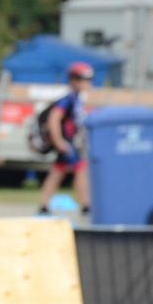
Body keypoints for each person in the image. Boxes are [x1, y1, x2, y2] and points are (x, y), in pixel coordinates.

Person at [38, 61, 93, 215]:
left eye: (87, 80)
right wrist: (59, 141)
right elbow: (54, 119)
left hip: (71, 143)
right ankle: (86, 205)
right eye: (81, 80)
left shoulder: (76, 100)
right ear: (73, 80)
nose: (85, 84)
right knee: (80, 170)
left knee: (58, 172)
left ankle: (44, 204)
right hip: (67, 144)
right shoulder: (67, 100)